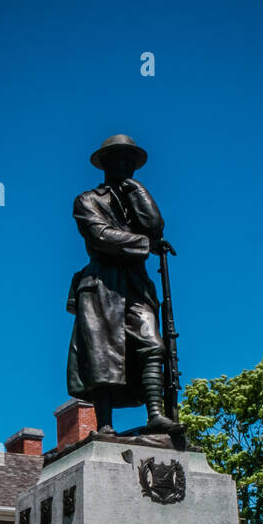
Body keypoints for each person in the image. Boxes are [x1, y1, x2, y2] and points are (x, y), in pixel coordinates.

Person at [66, 134, 178, 433]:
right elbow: (100, 236)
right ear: (106, 164)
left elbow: (156, 226)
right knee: (103, 355)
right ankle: (104, 425)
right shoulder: (87, 200)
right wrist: (144, 243)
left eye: (130, 160)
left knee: (153, 345)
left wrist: (138, 190)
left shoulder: (134, 199)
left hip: (135, 283)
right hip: (102, 282)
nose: (125, 164)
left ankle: (155, 415)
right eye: (119, 158)